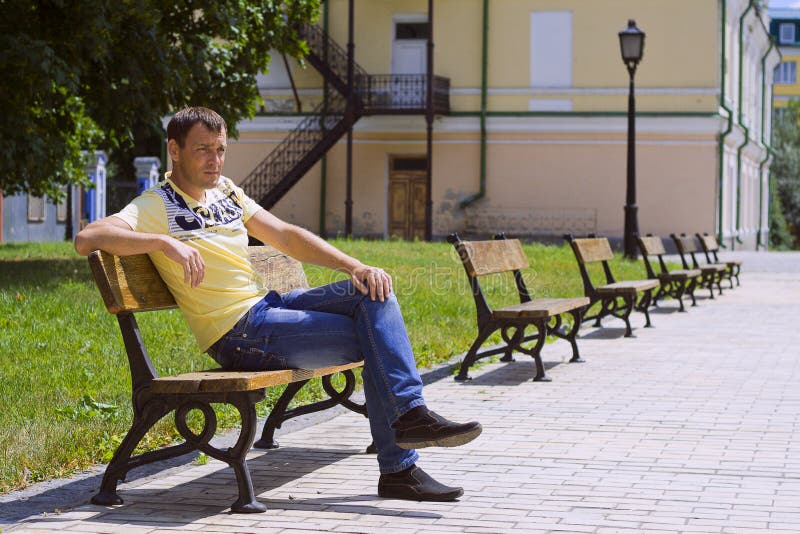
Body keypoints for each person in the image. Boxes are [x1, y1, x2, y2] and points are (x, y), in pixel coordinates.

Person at [74, 106, 482, 502]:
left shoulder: (226, 192)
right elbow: (88, 238)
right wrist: (164, 242)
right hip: (238, 333)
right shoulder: (156, 205)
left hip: (268, 308)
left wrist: (354, 265)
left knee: (373, 289)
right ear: (174, 150)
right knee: (377, 337)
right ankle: (400, 464)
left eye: (220, 149)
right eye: (203, 149)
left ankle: (409, 421)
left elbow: (285, 235)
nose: (214, 160)